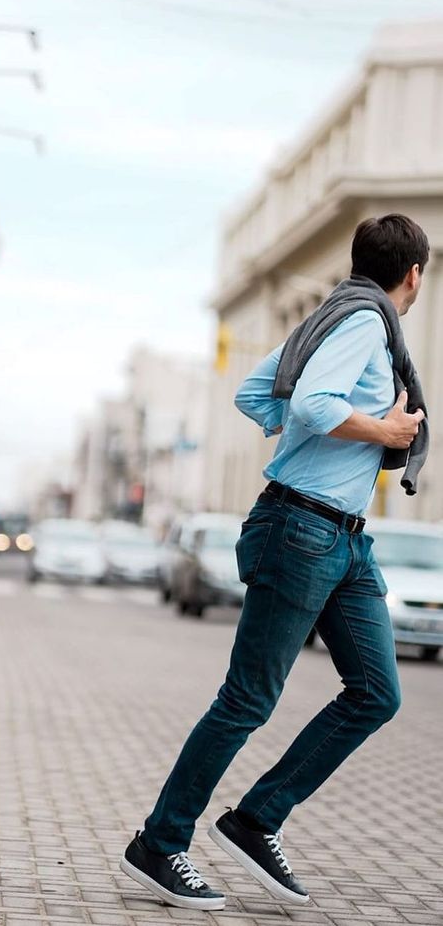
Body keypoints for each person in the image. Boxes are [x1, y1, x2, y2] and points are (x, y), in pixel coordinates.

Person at [120, 213, 429, 911]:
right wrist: (382, 429)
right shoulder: (362, 325)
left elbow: (257, 394)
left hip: (342, 538)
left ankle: (256, 819)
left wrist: (316, 435)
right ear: (414, 275)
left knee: (377, 692)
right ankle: (159, 843)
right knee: (247, 700)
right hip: (302, 527)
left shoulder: (330, 318)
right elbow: (315, 402)